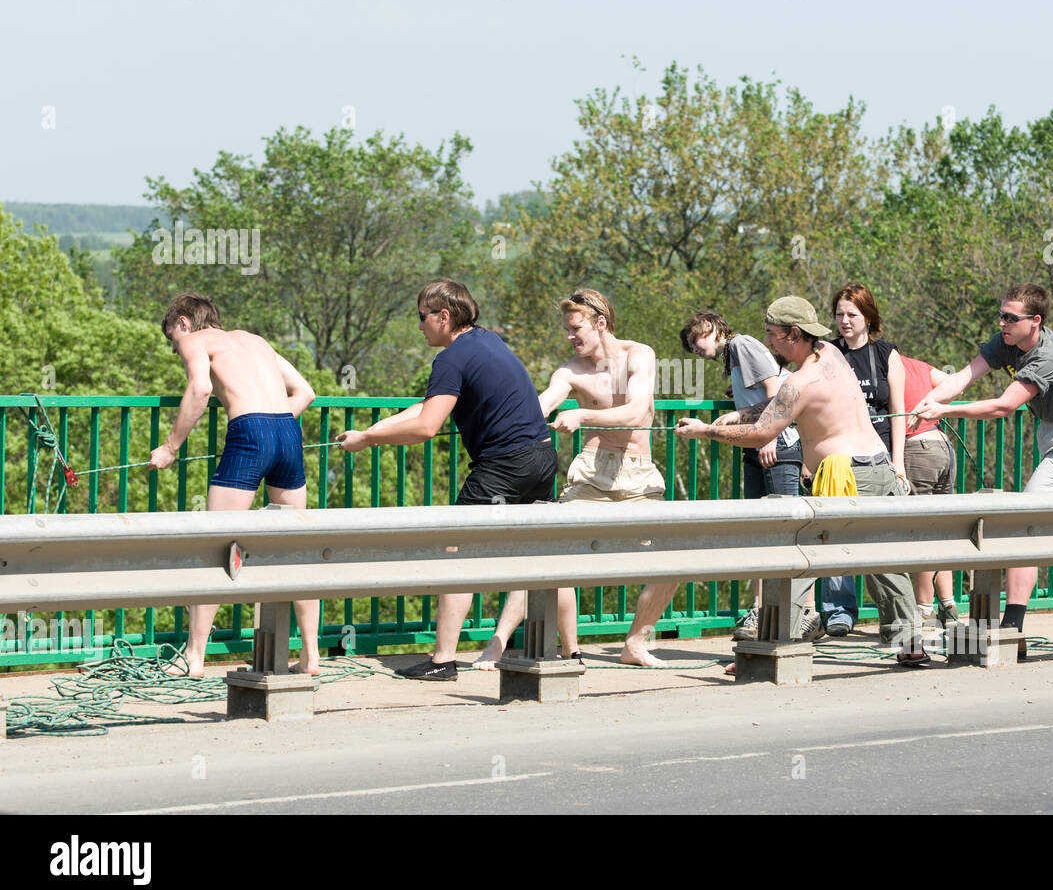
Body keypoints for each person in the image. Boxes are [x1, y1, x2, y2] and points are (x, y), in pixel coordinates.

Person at [675, 296, 927, 666]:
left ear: (794, 334)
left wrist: (705, 431)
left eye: (772, 335)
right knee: (885, 562)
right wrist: (741, 412)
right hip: (880, 466)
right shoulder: (831, 354)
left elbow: (763, 434)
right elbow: (781, 408)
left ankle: (777, 646)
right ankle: (910, 644)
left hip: (846, 475)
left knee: (799, 556)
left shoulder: (799, 382)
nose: (768, 343)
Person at [336, 279, 558, 681]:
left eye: (422, 317)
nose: (418, 325)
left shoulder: (451, 358)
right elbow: (426, 406)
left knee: (457, 551)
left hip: (505, 463)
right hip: (542, 457)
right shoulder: (486, 342)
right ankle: (559, 653)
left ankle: (442, 662)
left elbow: (426, 427)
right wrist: (369, 436)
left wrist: (369, 438)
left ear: (443, 316)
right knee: (539, 555)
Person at [911, 282, 1053, 655]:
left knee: (1023, 523)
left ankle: (1011, 628)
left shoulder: (1050, 355)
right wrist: (927, 401)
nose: (1003, 323)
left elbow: (1004, 406)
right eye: (1002, 315)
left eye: (1011, 317)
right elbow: (962, 379)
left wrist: (944, 412)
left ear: (1035, 321)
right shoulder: (1005, 342)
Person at [474, 289, 670, 668]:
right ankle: (505, 643)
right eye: (566, 329)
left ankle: (635, 642)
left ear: (600, 323)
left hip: (639, 473)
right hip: (591, 470)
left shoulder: (639, 354)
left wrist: (581, 417)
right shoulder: (570, 371)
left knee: (677, 555)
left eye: (576, 327)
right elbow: (542, 405)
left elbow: (635, 411)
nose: (569, 335)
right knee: (547, 551)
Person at [150, 292, 320, 678]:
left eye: (173, 344)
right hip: (287, 431)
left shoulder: (196, 340)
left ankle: (193, 656)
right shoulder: (255, 341)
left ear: (182, 322)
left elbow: (200, 389)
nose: (178, 351)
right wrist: (274, 424)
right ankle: (311, 656)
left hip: (250, 433)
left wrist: (170, 447)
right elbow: (306, 392)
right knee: (297, 547)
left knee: (218, 544)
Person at [678, 311, 820, 643]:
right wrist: (739, 413)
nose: (695, 350)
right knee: (762, 533)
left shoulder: (741, 345)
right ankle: (762, 611)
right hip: (757, 447)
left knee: (787, 533)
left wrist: (767, 436)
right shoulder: (733, 358)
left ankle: (806, 613)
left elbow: (777, 393)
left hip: (776, 446)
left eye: (695, 341)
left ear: (712, 328)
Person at [818, 282, 908, 637]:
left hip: (880, 457)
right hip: (839, 459)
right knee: (837, 534)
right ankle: (839, 610)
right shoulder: (826, 353)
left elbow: (898, 412)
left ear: (868, 317)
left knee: (882, 540)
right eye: (839, 314)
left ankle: (895, 620)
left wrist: (898, 464)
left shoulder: (886, 354)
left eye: (851, 314)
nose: (844, 321)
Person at [899, 353, 960, 627]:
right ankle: (948, 604)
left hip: (917, 448)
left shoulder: (887, 367)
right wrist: (932, 403)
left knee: (920, 532)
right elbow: (954, 383)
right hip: (943, 446)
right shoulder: (918, 366)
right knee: (942, 530)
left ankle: (924, 610)